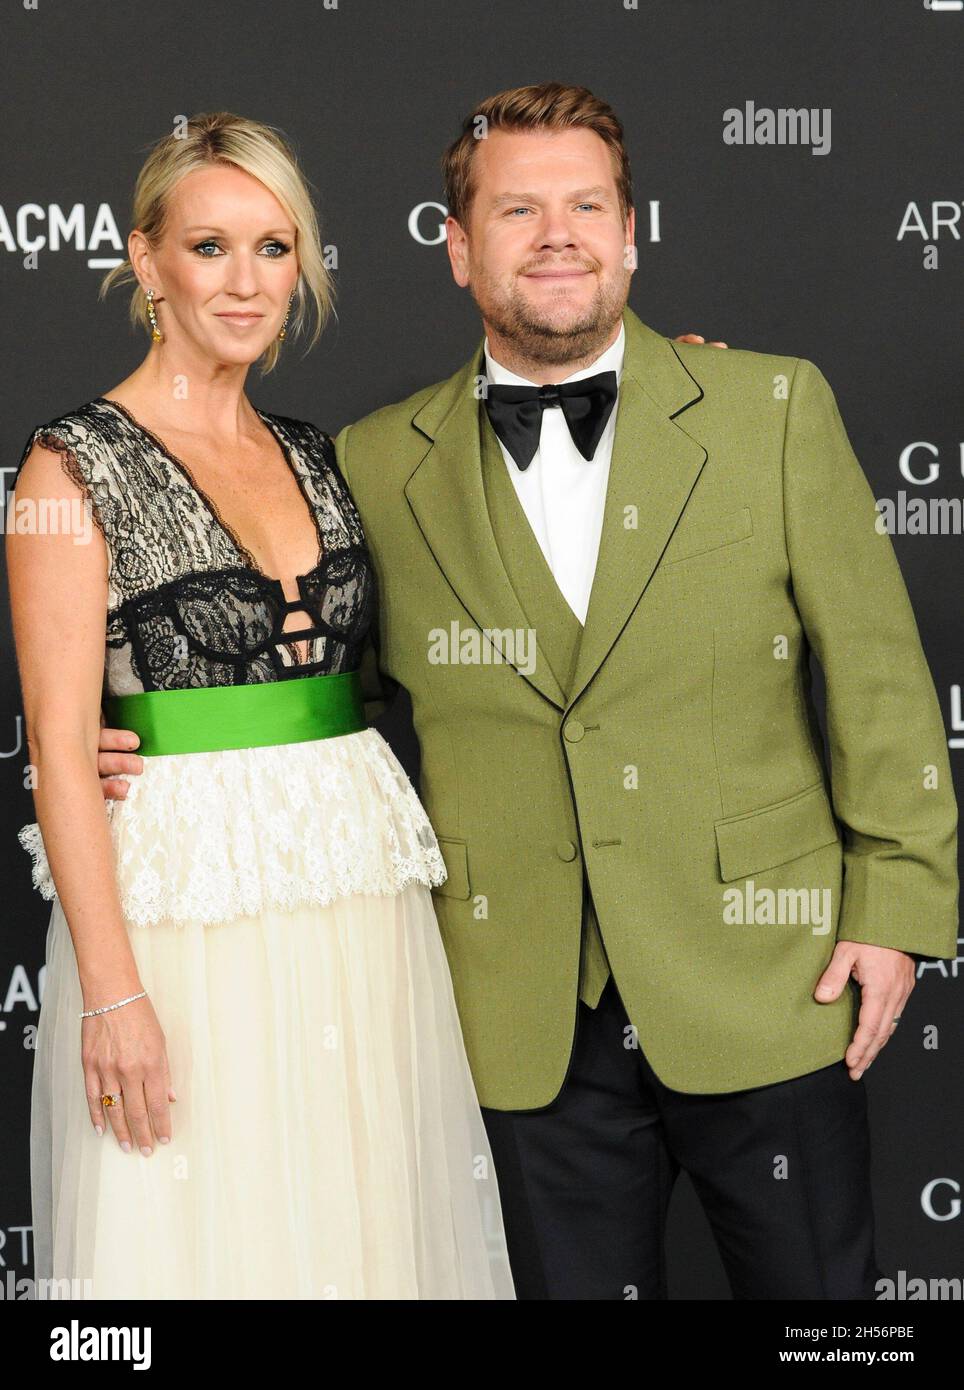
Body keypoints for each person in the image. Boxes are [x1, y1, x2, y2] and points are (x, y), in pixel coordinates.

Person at [97, 83, 959, 1300]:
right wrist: (152, 735)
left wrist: (896, 905)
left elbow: (878, 676)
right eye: (516, 211)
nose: (557, 236)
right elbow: (309, 685)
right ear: (456, 248)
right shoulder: (372, 463)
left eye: (585, 207)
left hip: (769, 979)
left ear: (630, 233)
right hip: (514, 1016)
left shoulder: (768, 410)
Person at [8, 111, 516, 1300]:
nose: (246, 282)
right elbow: (60, 750)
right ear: (147, 263)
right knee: (203, 1228)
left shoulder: (322, 453)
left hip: (358, 900)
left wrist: (663, 387)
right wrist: (113, 993)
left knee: (361, 1221)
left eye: (274, 248)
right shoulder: (70, 466)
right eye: (210, 247)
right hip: (187, 913)